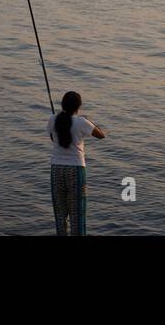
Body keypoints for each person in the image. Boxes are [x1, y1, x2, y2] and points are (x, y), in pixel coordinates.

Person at [48, 90, 105, 236]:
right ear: (78, 106)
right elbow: (101, 135)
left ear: (62, 105)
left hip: (56, 169)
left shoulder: (53, 119)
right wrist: (88, 120)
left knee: (60, 214)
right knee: (77, 213)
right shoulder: (82, 122)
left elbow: (53, 139)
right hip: (75, 169)